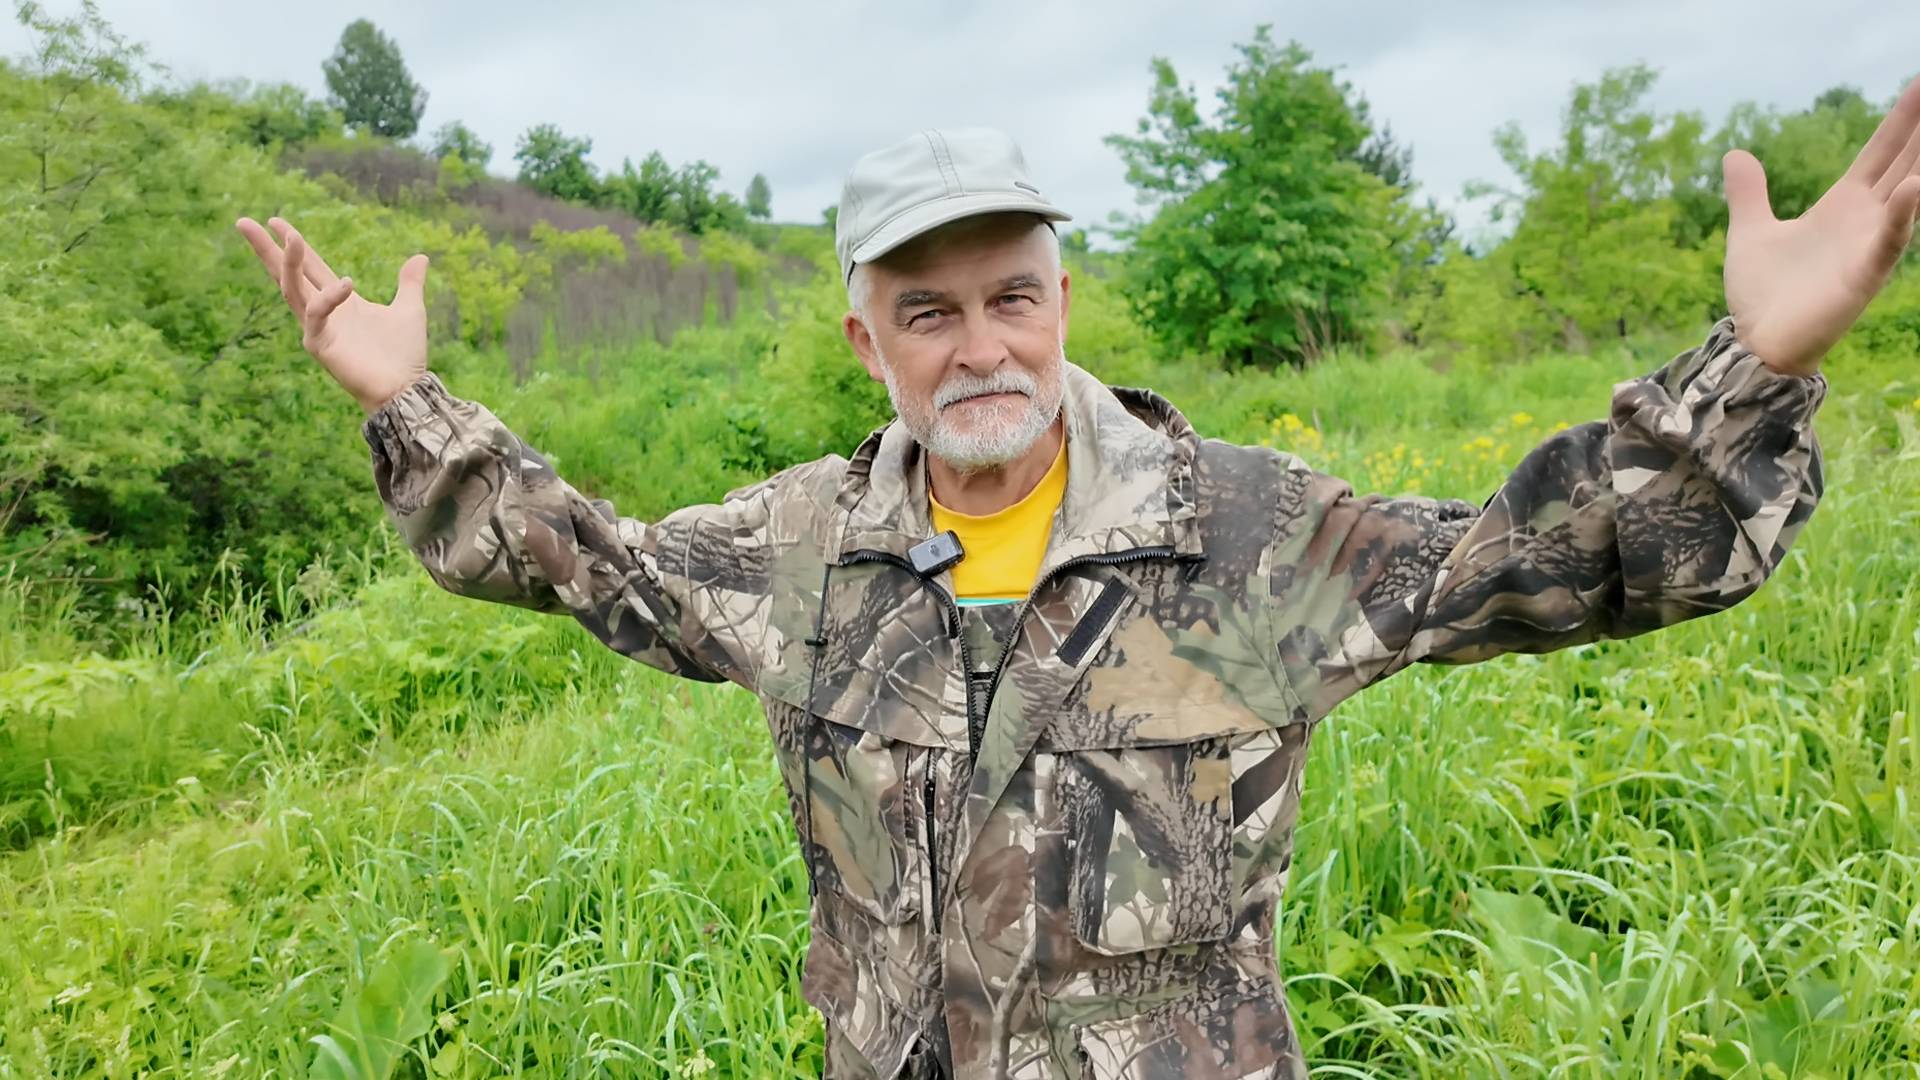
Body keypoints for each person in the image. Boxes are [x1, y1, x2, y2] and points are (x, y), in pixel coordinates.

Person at [237, 93, 1920, 1078]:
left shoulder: (1250, 548)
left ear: (1061, 295)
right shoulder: (804, 552)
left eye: (1013, 296)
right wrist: (408, 405)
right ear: (865, 338)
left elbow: (1558, 558)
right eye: (931, 310)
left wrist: (1751, 364)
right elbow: (586, 564)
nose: (984, 346)